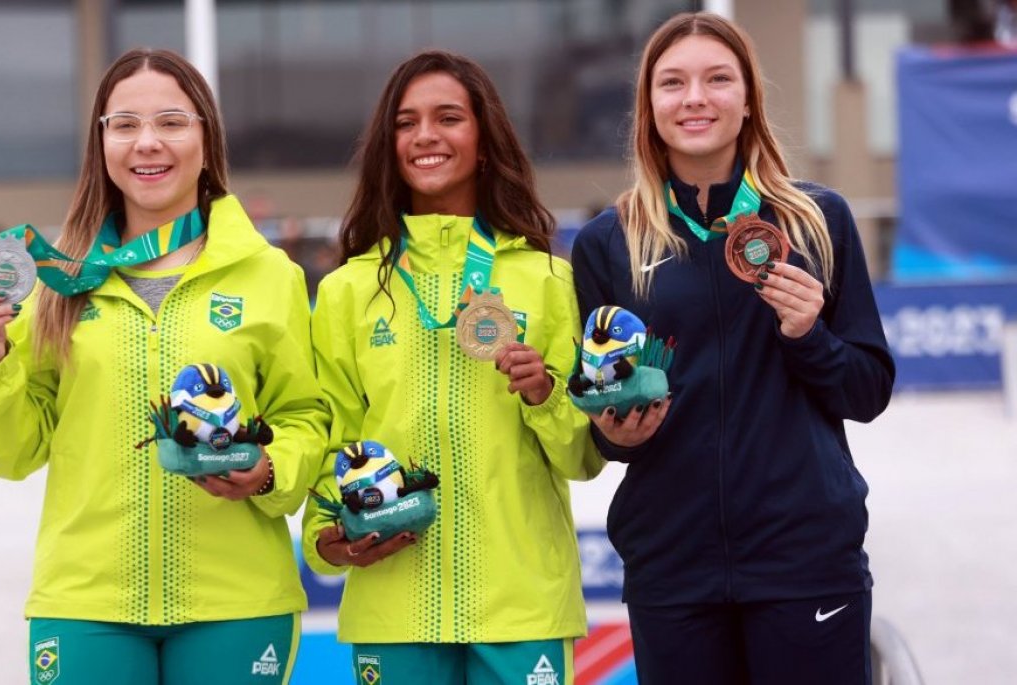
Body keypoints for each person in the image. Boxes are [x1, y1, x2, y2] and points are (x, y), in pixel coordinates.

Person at [0, 48, 328, 685]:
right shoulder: (59, 280)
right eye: (124, 124)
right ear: (101, 143)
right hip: (87, 601)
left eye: (172, 122)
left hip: (235, 602)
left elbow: (306, 417)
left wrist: (269, 470)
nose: (147, 142)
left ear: (206, 138)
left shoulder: (270, 276)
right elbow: (15, 452)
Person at [570, 13, 895, 685]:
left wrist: (811, 336)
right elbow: (604, 424)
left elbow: (867, 390)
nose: (695, 98)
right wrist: (616, 430)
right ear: (649, 105)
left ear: (748, 100)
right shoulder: (610, 241)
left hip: (805, 561)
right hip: (673, 566)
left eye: (718, 79)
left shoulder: (817, 219)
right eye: (673, 82)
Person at [301, 50, 603, 685]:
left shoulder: (546, 280)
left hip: (521, 611)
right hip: (393, 608)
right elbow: (334, 435)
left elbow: (583, 456)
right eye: (406, 123)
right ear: (390, 146)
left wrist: (545, 392)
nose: (426, 136)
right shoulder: (349, 291)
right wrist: (330, 536)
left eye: (448, 118)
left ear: (485, 140)